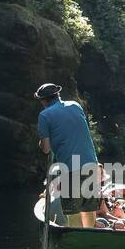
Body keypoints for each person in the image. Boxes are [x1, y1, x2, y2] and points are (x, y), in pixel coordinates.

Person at [35, 82, 99, 228]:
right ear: (58, 95)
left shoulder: (44, 115)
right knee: (88, 208)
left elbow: (46, 148)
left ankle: (78, 244)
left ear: (43, 101)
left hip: (70, 168)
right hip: (91, 163)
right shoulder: (75, 105)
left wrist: (41, 142)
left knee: (73, 211)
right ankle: (89, 241)